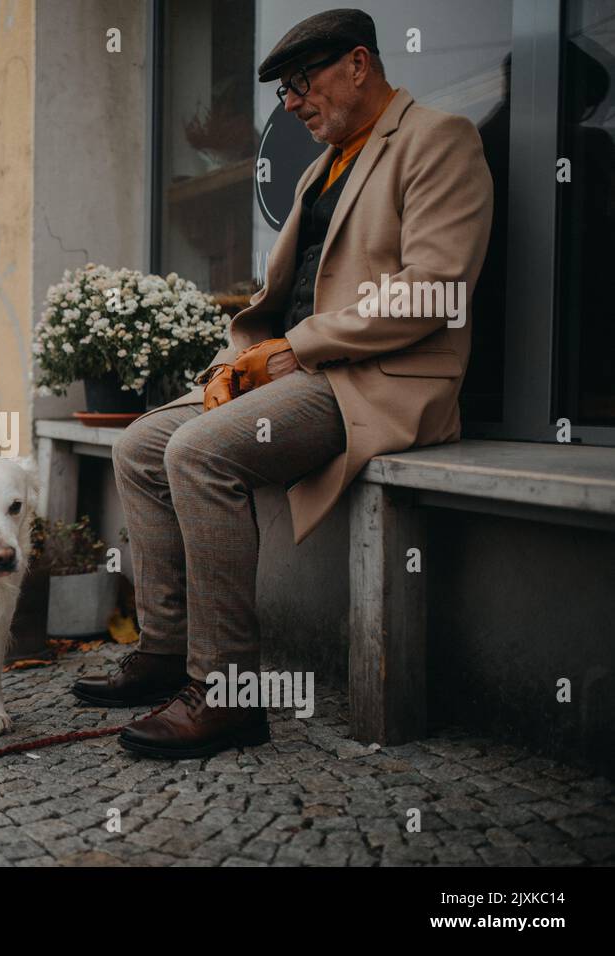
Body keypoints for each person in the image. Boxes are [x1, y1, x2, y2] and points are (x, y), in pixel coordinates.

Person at [71, 8, 495, 759]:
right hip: (296, 370)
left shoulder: (437, 138)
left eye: (301, 84)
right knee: (141, 443)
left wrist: (293, 350)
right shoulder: (318, 169)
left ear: (358, 65)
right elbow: (285, 300)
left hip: (372, 380)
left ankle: (228, 693)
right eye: (285, 94)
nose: (293, 105)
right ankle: (169, 652)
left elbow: (436, 287)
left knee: (199, 453)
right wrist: (242, 361)